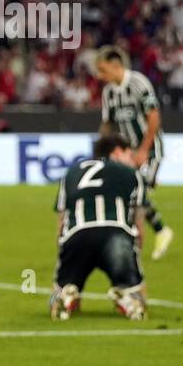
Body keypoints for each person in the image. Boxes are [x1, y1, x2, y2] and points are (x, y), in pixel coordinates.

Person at [48, 133, 147, 321]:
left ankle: (67, 296)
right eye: (129, 155)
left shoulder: (71, 173)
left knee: (61, 288)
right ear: (118, 152)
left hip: (77, 237)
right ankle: (127, 297)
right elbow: (138, 225)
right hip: (116, 235)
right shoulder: (132, 174)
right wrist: (135, 259)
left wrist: (64, 254)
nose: (133, 160)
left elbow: (61, 222)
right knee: (138, 296)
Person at [95, 46, 174, 259]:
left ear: (116, 65)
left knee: (135, 194)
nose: (101, 76)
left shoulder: (138, 83)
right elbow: (107, 124)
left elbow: (154, 118)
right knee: (133, 194)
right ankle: (160, 231)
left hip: (150, 151)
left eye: (103, 70)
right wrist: (100, 151)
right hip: (127, 154)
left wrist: (143, 151)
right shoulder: (108, 92)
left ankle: (134, 248)